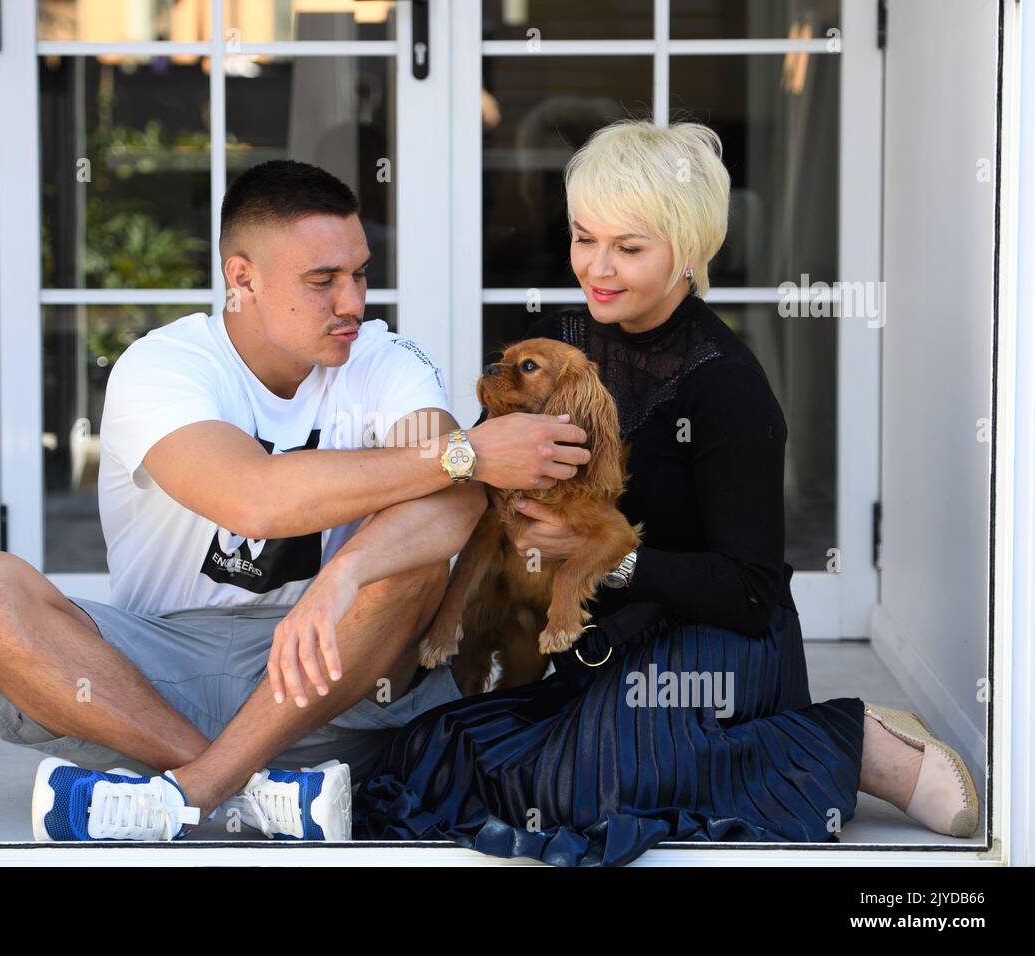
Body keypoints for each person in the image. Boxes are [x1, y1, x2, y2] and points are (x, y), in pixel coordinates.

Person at [351, 119, 982, 865]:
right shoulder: (556, 349)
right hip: (609, 641)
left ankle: (852, 738)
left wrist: (601, 561)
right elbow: (486, 474)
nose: (598, 267)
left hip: (720, 637)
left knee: (599, 789)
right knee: (427, 754)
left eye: (630, 246)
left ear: (687, 249)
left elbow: (750, 590)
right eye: (586, 237)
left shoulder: (726, 385)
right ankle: (678, 741)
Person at [0, 159, 593, 841]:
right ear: (242, 278)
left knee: (415, 555)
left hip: (333, 676)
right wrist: (469, 453)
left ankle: (186, 792)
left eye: (360, 274)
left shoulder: (387, 359)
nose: (352, 303)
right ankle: (249, 790)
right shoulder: (165, 366)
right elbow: (251, 499)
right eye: (322, 281)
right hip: (156, 678)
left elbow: (453, 506)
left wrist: (343, 576)